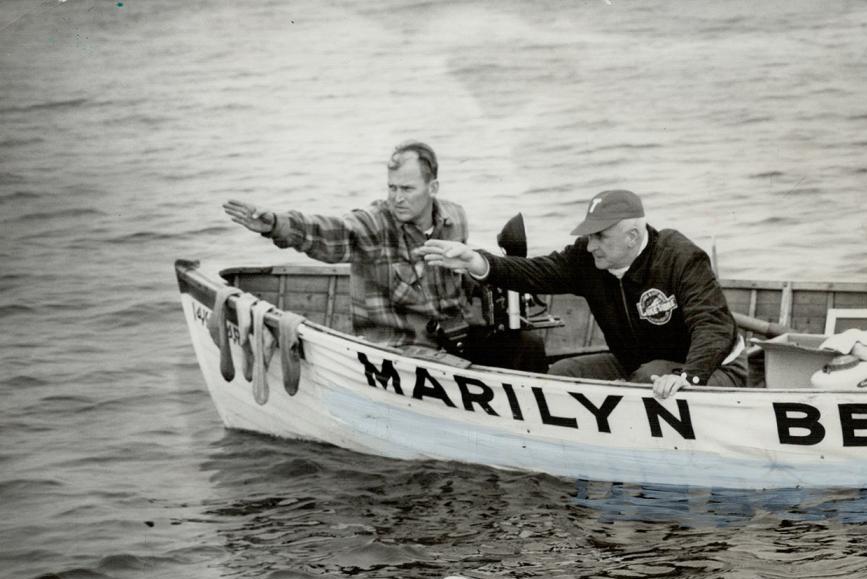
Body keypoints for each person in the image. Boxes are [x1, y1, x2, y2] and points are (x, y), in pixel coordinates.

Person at [222, 141, 544, 370]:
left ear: (433, 188)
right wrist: (276, 224)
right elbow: (328, 232)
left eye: (406, 189)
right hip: (398, 350)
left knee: (529, 346)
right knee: (463, 372)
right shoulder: (375, 224)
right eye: (392, 188)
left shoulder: (455, 218)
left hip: (454, 338)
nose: (396, 198)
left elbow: (463, 282)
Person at [415, 189, 746, 399]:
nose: (591, 246)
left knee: (648, 378)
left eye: (600, 237)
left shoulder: (680, 256)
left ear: (632, 236)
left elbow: (712, 326)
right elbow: (535, 272)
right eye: (588, 236)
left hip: (713, 368)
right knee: (559, 377)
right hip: (637, 364)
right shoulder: (587, 259)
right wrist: (476, 259)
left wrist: (689, 376)